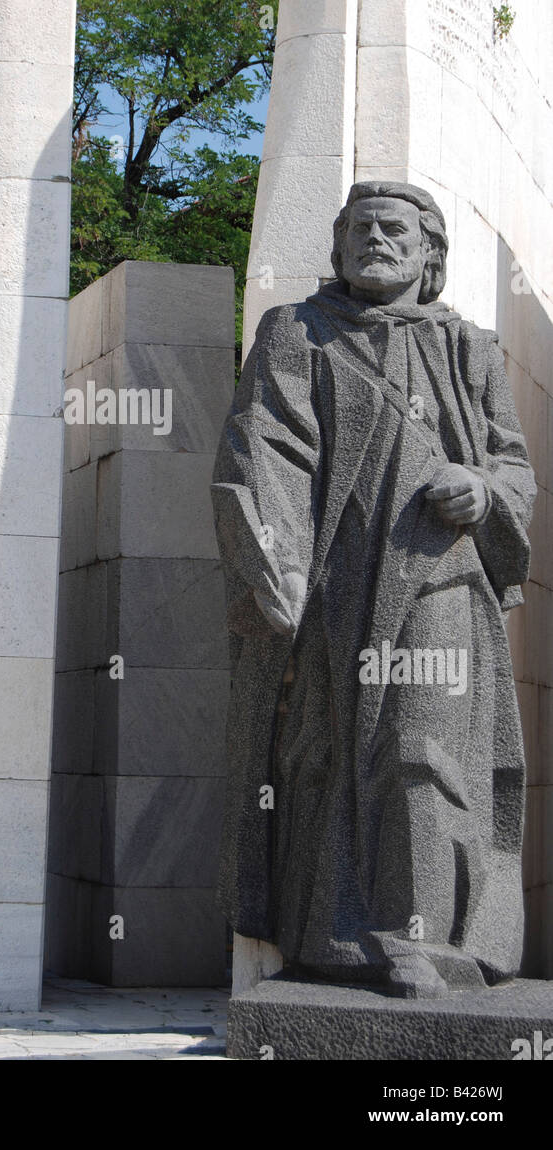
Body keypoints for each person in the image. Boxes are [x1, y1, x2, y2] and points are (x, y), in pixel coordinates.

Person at [211, 180, 536, 996]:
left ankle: (420, 938)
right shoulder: (297, 334)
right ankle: (336, 936)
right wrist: (275, 561)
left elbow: (513, 464)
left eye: (394, 229)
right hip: (334, 589)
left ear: (430, 253)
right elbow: (263, 449)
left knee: (424, 754)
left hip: (440, 581)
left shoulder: (473, 349)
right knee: (326, 759)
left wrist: (484, 491)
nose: (374, 240)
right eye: (358, 229)